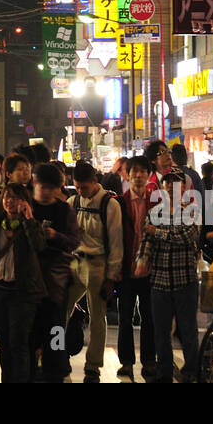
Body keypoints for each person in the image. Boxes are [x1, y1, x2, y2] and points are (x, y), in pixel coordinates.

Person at [0, 183, 46, 382]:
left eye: (14, 197)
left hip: (23, 294)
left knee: (19, 344)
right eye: (6, 197)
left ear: (24, 201)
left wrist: (29, 219)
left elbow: (39, 245)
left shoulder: (31, 224)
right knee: (4, 344)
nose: (9, 201)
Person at [145, 168, 201, 383]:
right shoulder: (155, 212)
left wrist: (157, 232)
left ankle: (190, 372)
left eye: (176, 183)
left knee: (188, 330)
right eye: (167, 183)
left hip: (184, 279)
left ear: (184, 188)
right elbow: (146, 239)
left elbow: (186, 236)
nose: (171, 186)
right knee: (161, 333)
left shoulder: (192, 210)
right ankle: (164, 372)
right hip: (159, 279)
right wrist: (141, 260)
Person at [70, 160, 122, 382]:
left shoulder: (109, 205)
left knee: (97, 316)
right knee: (59, 310)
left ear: (95, 181)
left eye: (84, 187)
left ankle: (93, 366)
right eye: (77, 187)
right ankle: (57, 351)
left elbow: (117, 243)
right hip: (75, 262)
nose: (81, 191)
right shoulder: (73, 202)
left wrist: (111, 277)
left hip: (98, 265)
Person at [29, 161, 81, 382]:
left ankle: (55, 368)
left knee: (55, 329)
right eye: (44, 186)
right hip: (28, 280)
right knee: (30, 330)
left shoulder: (63, 210)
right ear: (35, 183)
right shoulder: (26, 206)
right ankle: (30, 368)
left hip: (55, 283)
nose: (48, 192)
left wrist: (54, 236)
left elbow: (75, 241)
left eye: (52, 188)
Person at [117, 155, 156, 381]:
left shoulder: (157, 201)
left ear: (149, 175)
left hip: (150, 270)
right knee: (125, 317)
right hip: (126, 269)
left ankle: (149, 361)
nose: (139, 176)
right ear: (127, 175)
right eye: (135, 172)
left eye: (143, 171)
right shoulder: (119, 203)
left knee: (149, 317)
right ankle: (126, 362)